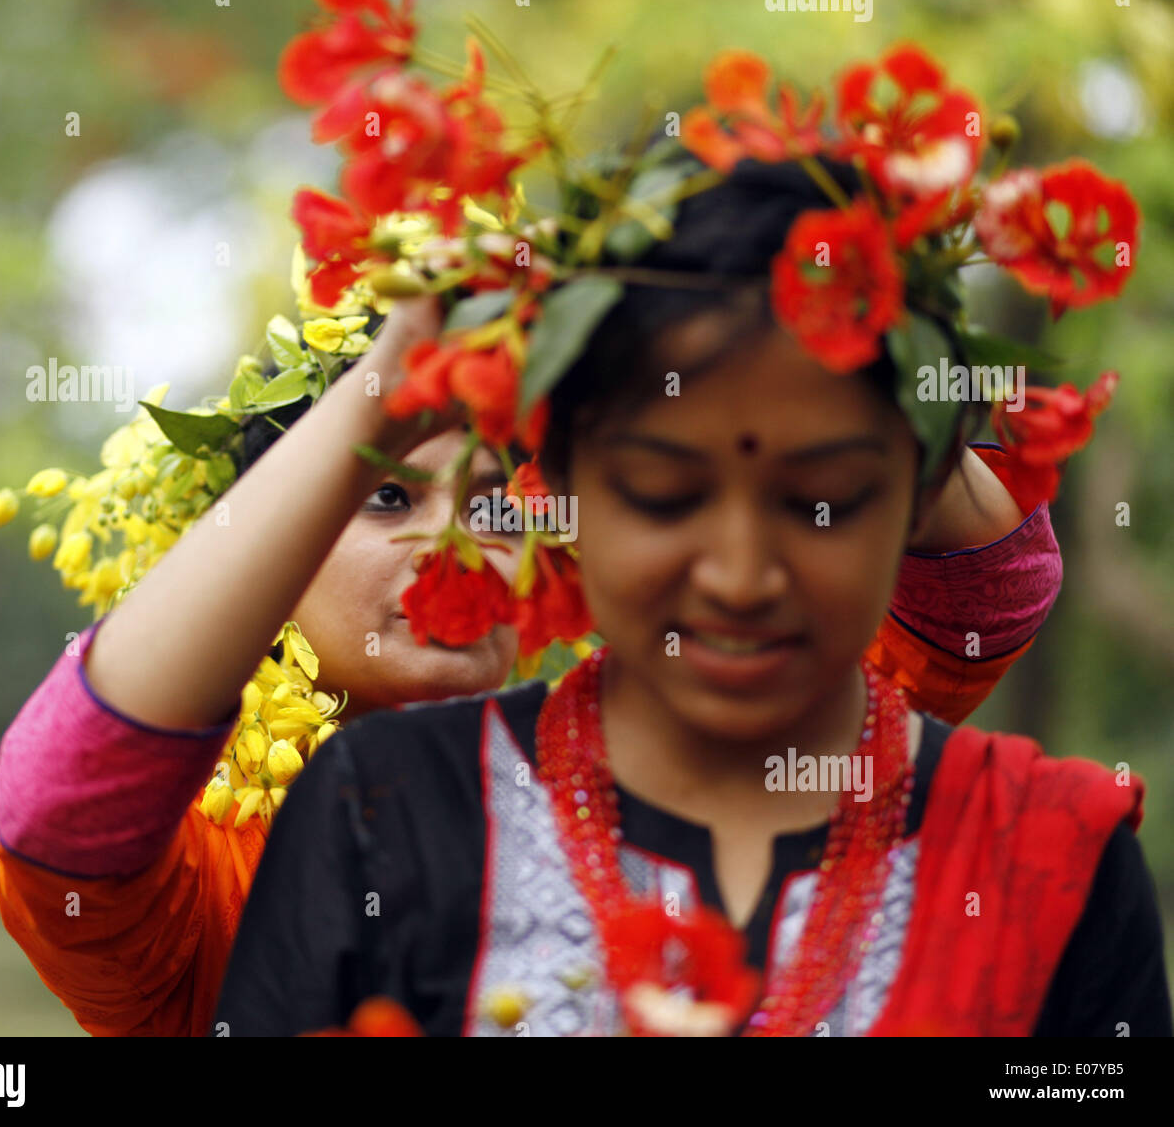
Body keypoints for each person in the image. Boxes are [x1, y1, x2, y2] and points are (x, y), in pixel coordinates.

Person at [213, 157, 1170, 1038]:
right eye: (667, 494)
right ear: (568, 490)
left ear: (913, 495)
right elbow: (66, 822)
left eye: (824, 498)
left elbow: (986, 589)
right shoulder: (365, 814)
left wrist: (873, 318)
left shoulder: (1055, 856)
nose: (741, 575)